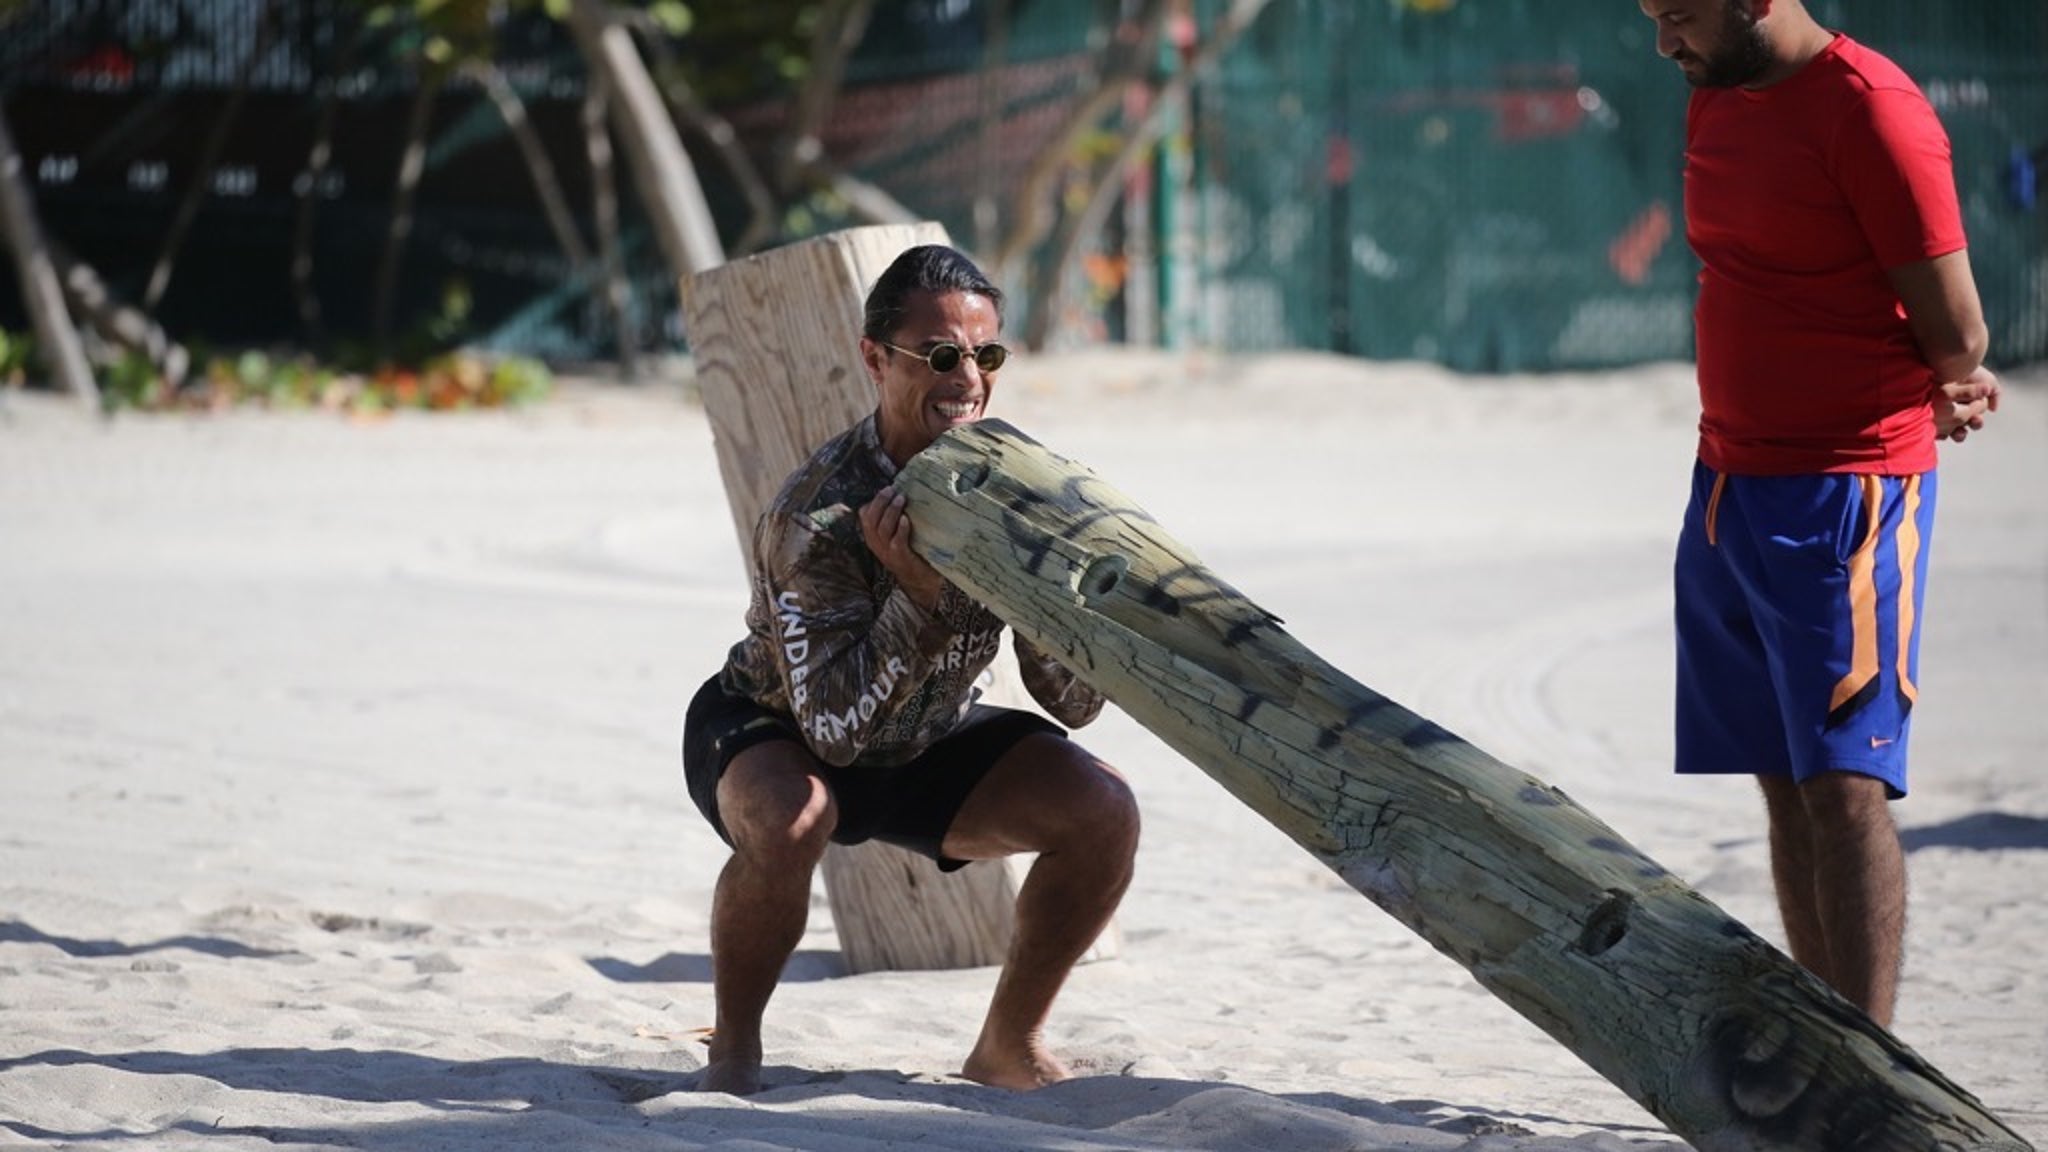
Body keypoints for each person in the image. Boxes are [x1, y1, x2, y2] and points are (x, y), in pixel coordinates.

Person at [681, 244, 1141, 1095]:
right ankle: (735, 1051)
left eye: (985, 354)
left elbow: (1073, 705)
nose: (967, 379)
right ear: (875, 358)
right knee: (794, 819)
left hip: (924, 731)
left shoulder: (1013, 485)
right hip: (775, 728)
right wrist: (920, 600)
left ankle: (1007, 1045)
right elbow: (834, 734)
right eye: (938, 356)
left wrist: (1045, 599)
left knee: (1104, 811)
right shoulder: (820, 514)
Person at [1638, 0, 2001, 1027]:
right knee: (1780, 774)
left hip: (1848, 488)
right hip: (1725, 482)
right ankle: (1825, 1044)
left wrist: (1944, 383)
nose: (1664, 42)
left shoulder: (1871, 109)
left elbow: (1960, 332)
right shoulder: (1716, 92)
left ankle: (1871, 1074)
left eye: (1679, 15)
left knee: (1844, 787)